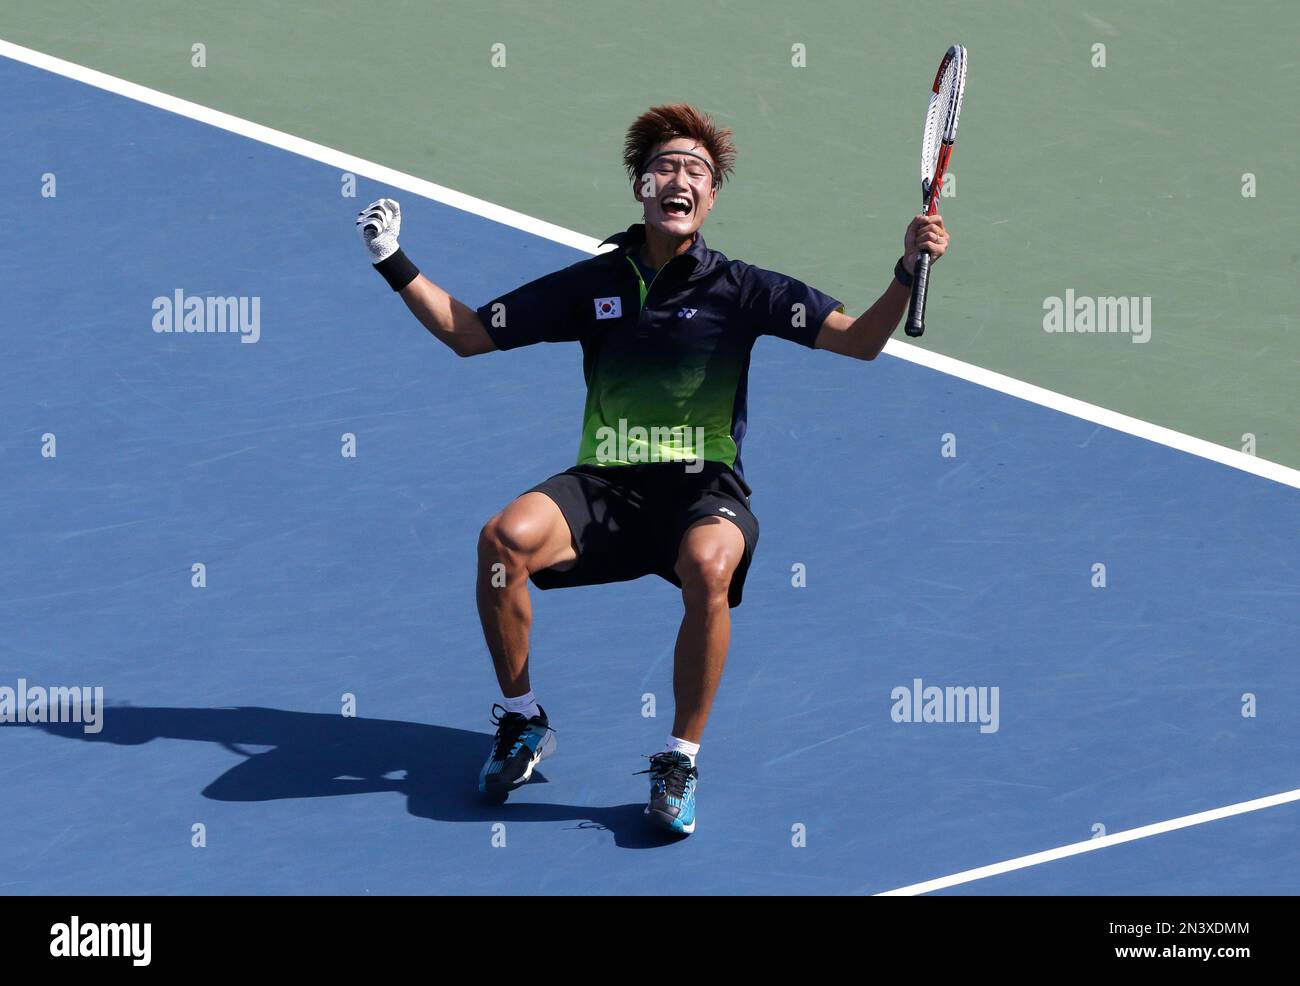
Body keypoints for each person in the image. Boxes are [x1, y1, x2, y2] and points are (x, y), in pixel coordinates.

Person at [356, 103, 949, 836]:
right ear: (641, 186)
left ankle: (679, 759)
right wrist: (393, 262)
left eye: (697, 172)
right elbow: (469, 334)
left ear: (711, 199)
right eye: (666, 167)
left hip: (704, 490)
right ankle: (522, 720)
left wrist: (904, 270)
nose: (681, 179)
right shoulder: (592, 285)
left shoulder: (743, 289)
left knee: (709, 566)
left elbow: (860, 341)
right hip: (605, 486)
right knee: (502, 542)